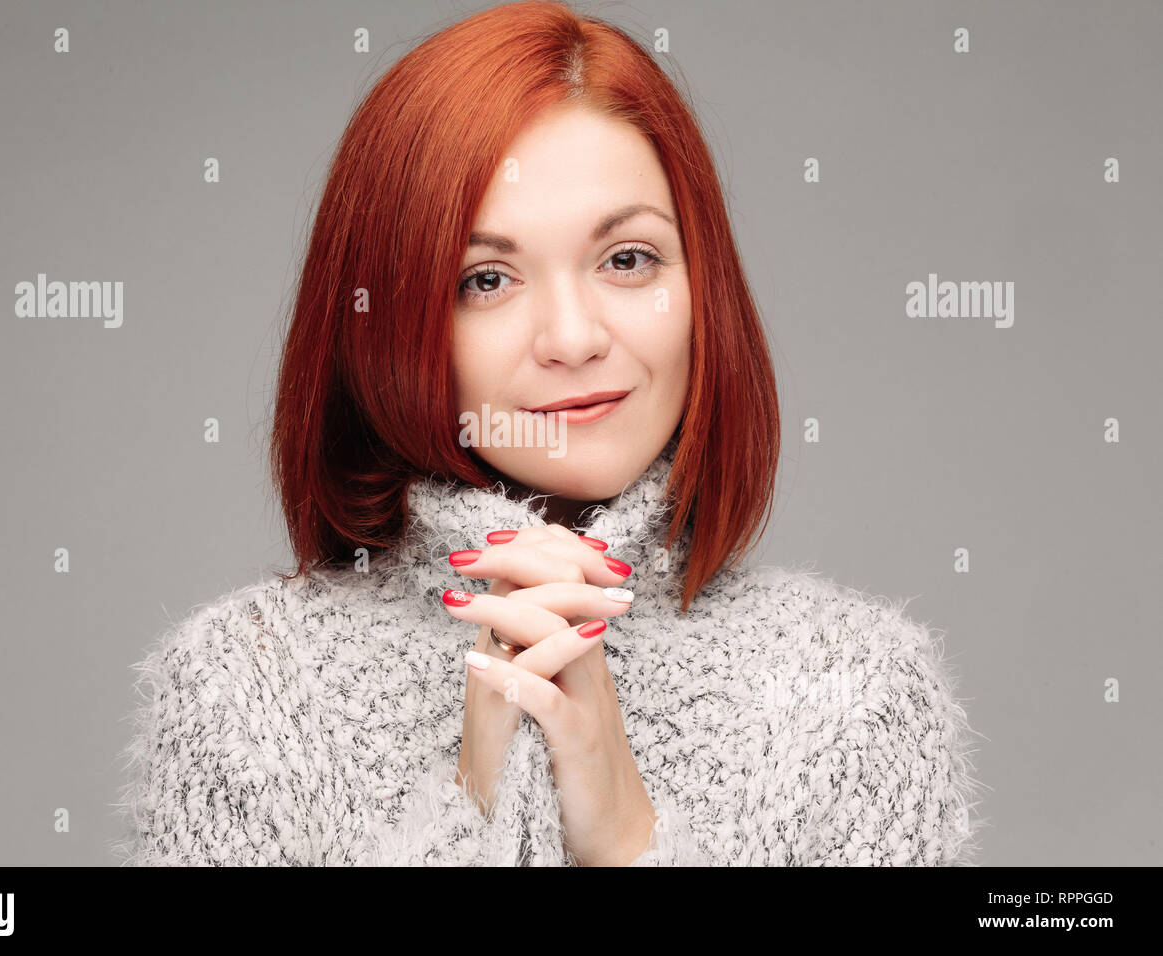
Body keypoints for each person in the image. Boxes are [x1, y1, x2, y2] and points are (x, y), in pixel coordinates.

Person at [116, 0, 983, 866]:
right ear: (385, 316)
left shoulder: (856, 691)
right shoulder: (247, 689)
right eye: (487, 279)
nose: (573, 338)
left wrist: (627, 841)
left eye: (627, 259)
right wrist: (477, 809)